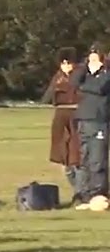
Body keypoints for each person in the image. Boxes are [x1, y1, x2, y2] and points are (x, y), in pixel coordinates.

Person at [41, 48, 82, 200]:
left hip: (77, 118)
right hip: (60, 120)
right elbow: (47, 97)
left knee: (77, 158)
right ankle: (77, 191)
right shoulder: (57, 77)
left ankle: (82, 192)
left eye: (68, 62)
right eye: (63, 63)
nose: (65, 66)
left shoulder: (81, 76)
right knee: (64, 159)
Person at [73, 42, 110, 209]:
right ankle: (86, 194)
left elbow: (99, 88)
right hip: (83, 120)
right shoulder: (85, 72)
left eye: (97, 54)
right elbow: (73, 82)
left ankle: (99, 193)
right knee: (85, 159)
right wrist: (84, 67)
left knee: (98, 160)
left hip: (99, 121)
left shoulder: (106, 74)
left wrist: (84, 85)